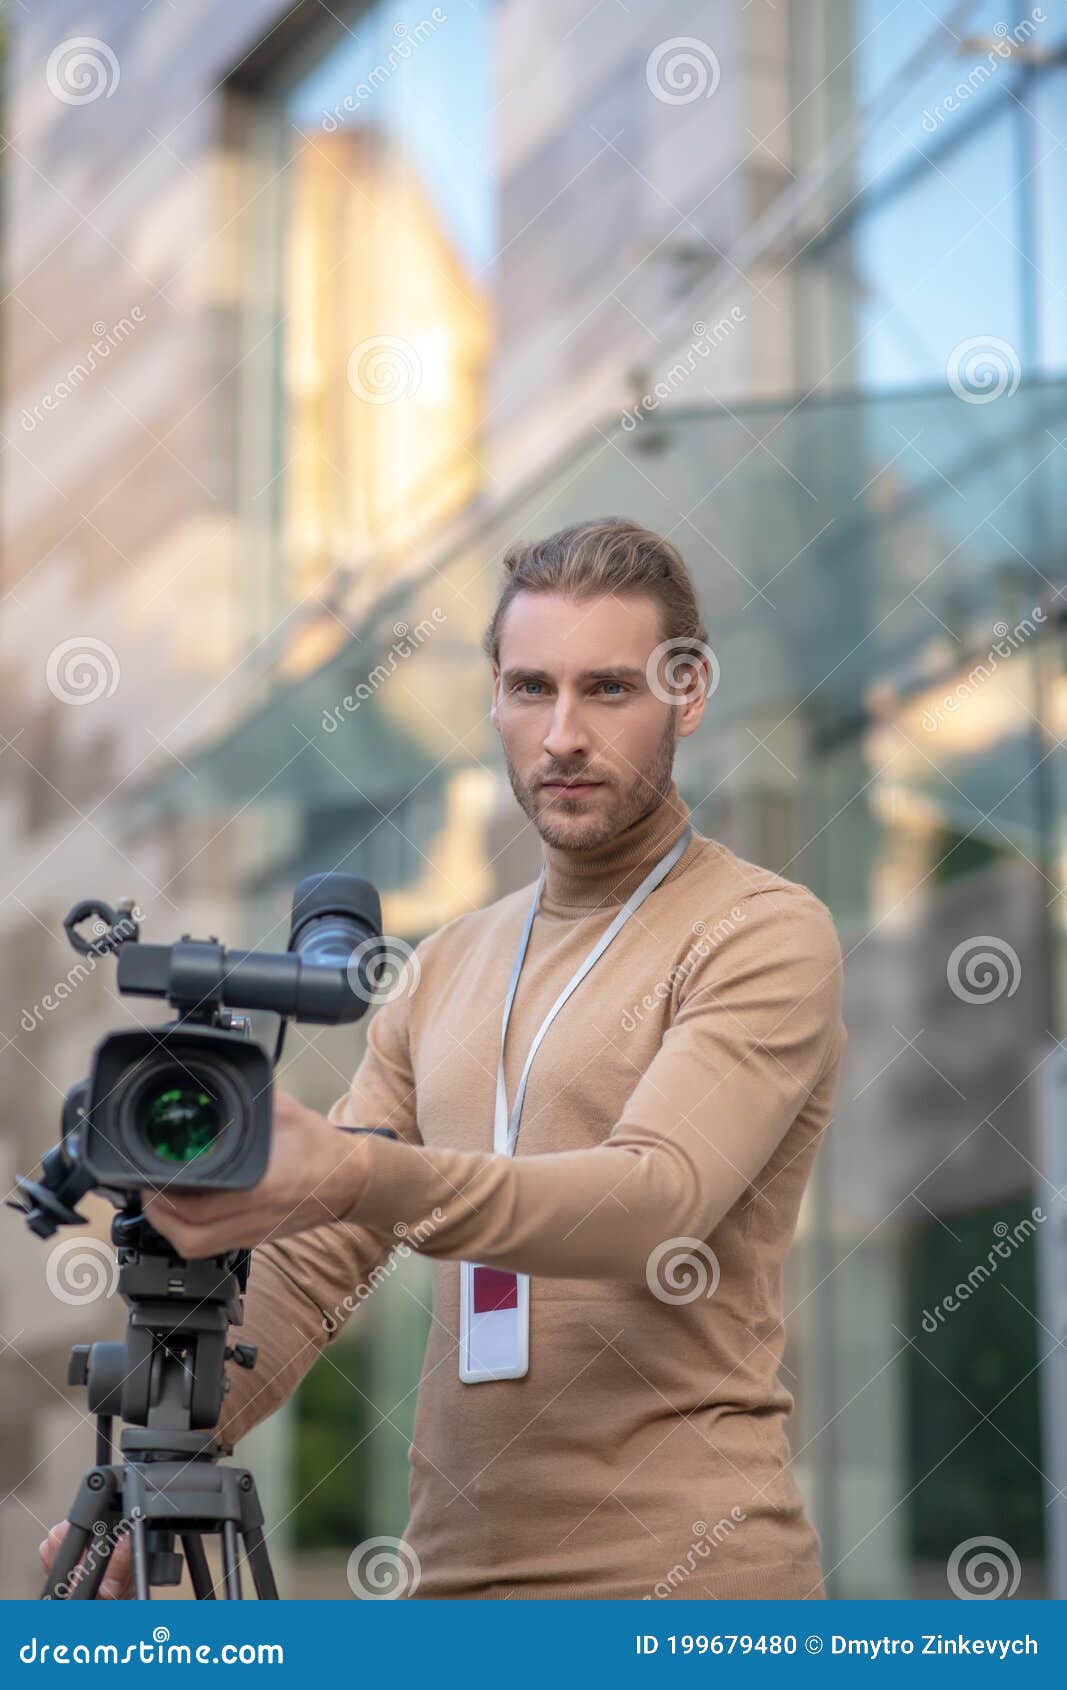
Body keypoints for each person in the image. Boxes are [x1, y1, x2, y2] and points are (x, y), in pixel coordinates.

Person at [41, 517, 846, 1600]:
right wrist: (168, 1457)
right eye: (528, 688)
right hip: (449, 1588)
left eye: (606, 689)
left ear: (688, 692)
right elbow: (318, 1259)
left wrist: (352, 1171)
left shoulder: (760, 931)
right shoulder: (445, 964)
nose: (561, 734)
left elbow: (654, 1197)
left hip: (687, 1590)